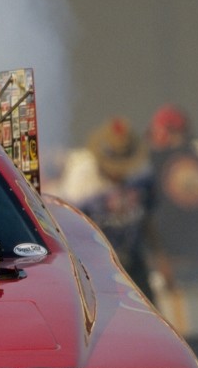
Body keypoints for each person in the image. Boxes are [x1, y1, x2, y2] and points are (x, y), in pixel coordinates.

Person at [147, 104, 198, 332]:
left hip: (165, 264)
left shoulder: (151, 169)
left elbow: (146, 220)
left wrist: (158, 260)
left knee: (165, 335)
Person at [59, 117, 159, 303]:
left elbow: (149, 218)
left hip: (134, 261)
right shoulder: (81, 182)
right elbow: (69, 229)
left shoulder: (142, 174)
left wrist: (159, 255)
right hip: (95, 266)